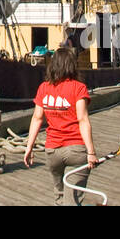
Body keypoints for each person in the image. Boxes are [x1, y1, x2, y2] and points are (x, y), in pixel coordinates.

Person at [24, 47, 97, 205]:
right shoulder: (79, 88)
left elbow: (37, 118)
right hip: (76, 149)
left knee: (59, 195)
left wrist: (29, 146)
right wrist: (91, 152)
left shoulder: (44, 88)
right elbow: (83, 119)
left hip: (52, 151)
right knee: (73, 198)